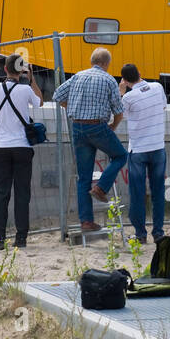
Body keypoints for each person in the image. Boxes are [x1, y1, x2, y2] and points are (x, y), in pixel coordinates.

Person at [53, 48, 126, 233]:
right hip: (97, 126)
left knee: (83, 177)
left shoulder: (78, 76)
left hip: (77, 127)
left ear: (92, 60)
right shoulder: (109, 79)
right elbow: (118, 111)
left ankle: (86, 221)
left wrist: (73, 108)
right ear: (107, 63)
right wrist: (113, 127)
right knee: (120, 156)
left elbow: (57, 96)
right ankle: (101, 188)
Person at [0, 54, 42, 250]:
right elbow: (39, 102)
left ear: (4, 69)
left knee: (1, 193)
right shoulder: (26, 89)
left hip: (0, 146)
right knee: (22, 193)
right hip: (22, 147)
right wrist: (32, 79)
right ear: (21, 71)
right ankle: (21, 238)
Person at [118, 62, 167, 245]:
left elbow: (119, 115)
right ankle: (159, 232)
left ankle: (140, 233)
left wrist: (121, 92)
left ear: (125, 80)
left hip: (138, 149)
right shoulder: (158, 87)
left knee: (137, 193)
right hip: (157, 146)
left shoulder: (128, 98)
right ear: (140, 73)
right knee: (158, 192)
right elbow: (162, 107)